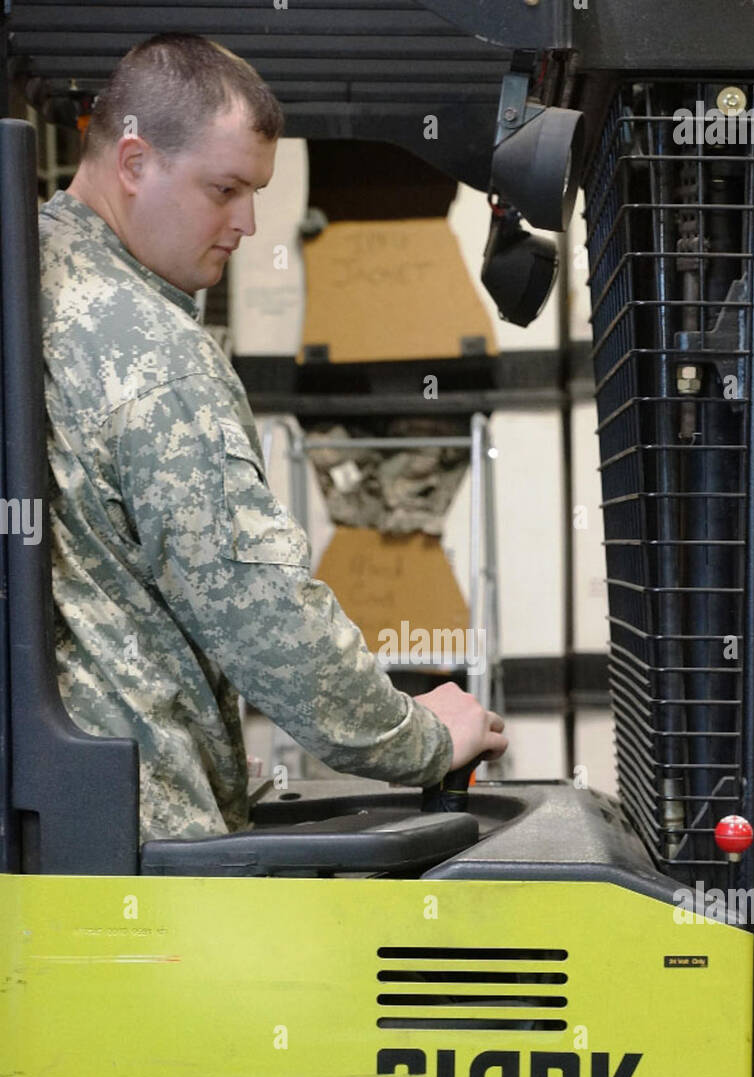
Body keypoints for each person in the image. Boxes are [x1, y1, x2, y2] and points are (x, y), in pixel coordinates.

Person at [38, 32, 506, 844]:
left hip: (66, 817)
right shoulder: (149, 353)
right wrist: (422, 736)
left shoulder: (31, 278)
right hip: (138, 825)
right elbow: (261, 617)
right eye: (225, 189)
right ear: (135, 162)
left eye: (255, 192)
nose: (248, 223)